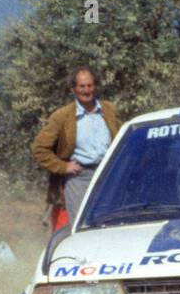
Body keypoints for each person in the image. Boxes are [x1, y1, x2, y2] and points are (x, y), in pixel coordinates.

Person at [31, 66, 121, 229]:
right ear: (74, 89)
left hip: (108, 175)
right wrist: (63, 167)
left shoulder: (109, 110)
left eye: (90, 85)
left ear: (96, 86)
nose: (87, 90)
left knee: (111, 224)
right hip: (79, 177)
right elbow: (39, 148)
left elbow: (122, 137)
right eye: (82, 86)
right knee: (82, 226)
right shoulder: (62, 116)